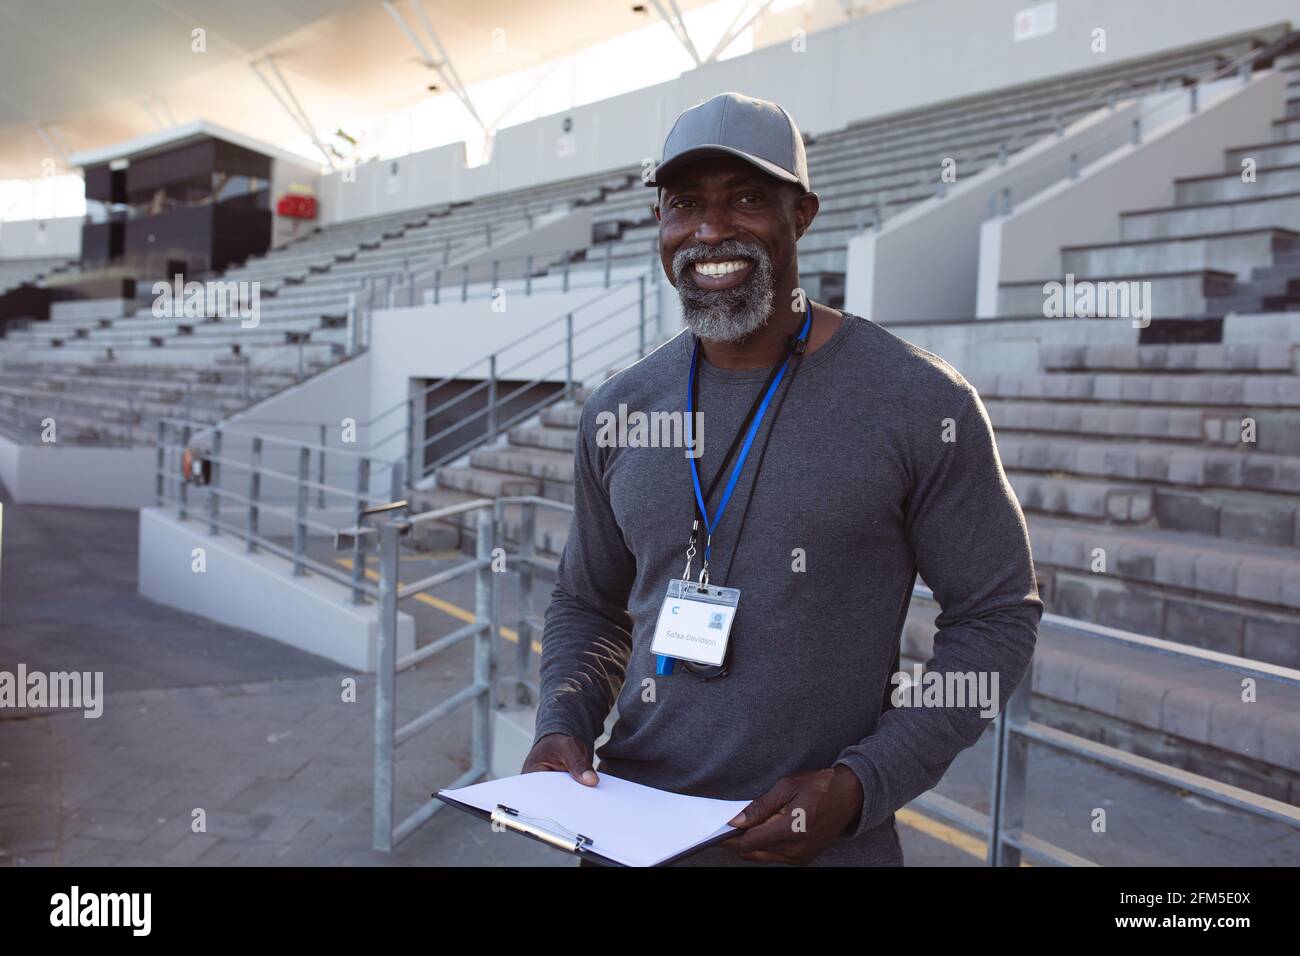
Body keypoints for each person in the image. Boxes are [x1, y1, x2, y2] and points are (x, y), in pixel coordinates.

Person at [521, 91, 1041, 866]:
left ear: (802, 214)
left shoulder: (920, 401)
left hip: (824, 845)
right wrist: (562, 723)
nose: (711, 230)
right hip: (632, 833)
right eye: (684, 205)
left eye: (747, 200)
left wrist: (863, 783)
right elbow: (588, 602)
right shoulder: (620, 408)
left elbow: (997, 618)